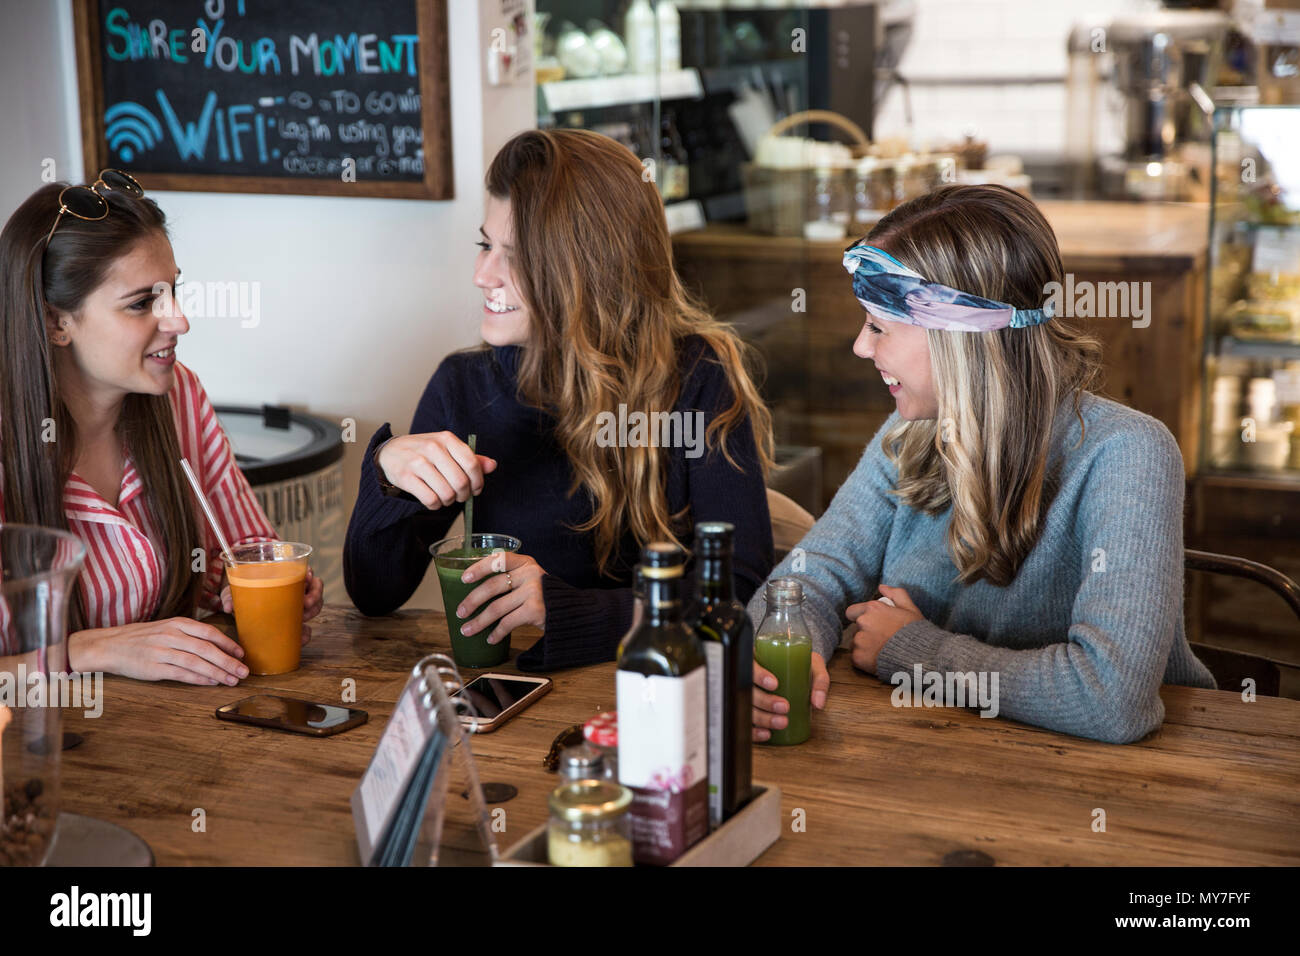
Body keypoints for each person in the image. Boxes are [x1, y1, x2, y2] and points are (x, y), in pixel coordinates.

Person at [747, 184, 1215, 745]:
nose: (860, 347)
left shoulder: (1128, 454)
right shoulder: (910, 436)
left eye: (878, 327)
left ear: (958, 339)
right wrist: (766, 662)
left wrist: (913, 651)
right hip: (954, 759)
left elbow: (1110, 700)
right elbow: (804, 582)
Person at [344, 129, 775, 669]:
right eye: (485, 245)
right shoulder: (462, 385)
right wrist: (388, 476)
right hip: (520, 704)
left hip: (661, 692)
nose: (482, 275)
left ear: (592, 270)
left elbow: (740, 594)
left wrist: (569, 610)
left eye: (518, 257)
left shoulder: (700, 379)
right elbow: (374, 596)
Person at [0, 172, 323, 683]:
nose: (178, 321)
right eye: (141, 303)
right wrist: (90, 651)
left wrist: (247, 587)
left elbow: (244, 551)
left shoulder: (179, 397)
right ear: (55, 322)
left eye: (173, 291)